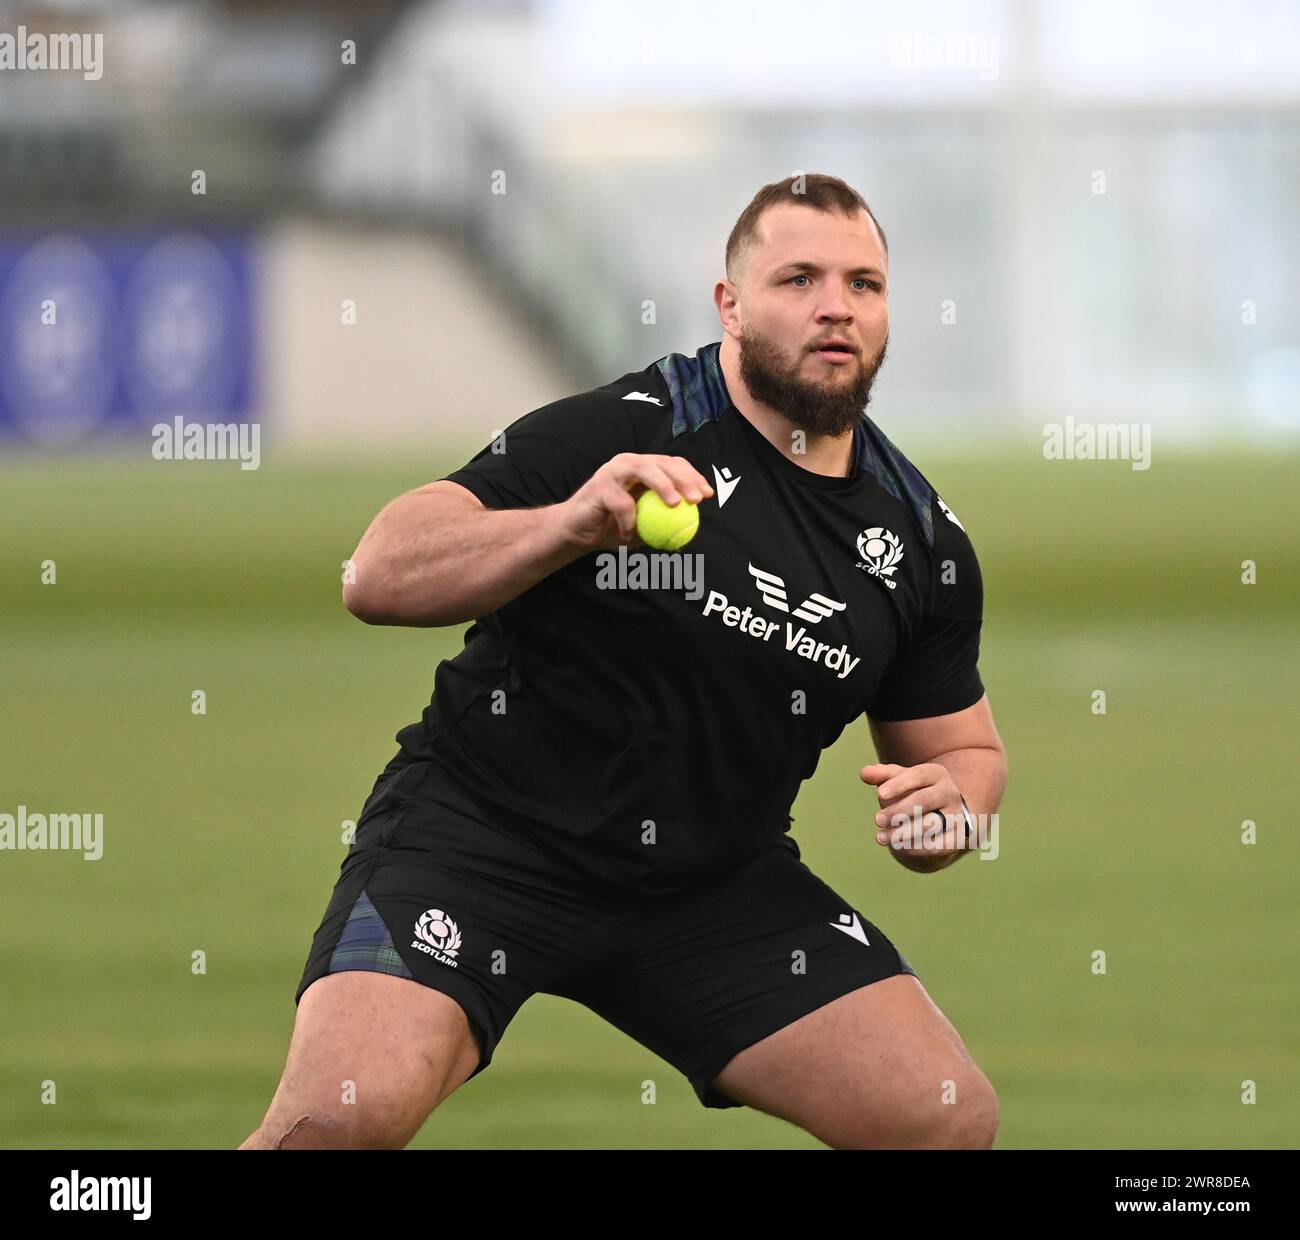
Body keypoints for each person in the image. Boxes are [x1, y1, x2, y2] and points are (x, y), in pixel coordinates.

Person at [240, 172, 1008, 1150]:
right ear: (729, 304)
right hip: (483, 840)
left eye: (863, 283)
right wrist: (566, 526)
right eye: (798, 278)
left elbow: (968, 752)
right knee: (336, 1122)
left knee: (942, 1119)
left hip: (710, 885)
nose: (834, 306)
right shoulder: (627, 430)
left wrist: (953, 811)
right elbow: (376, 574)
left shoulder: (920, 543)